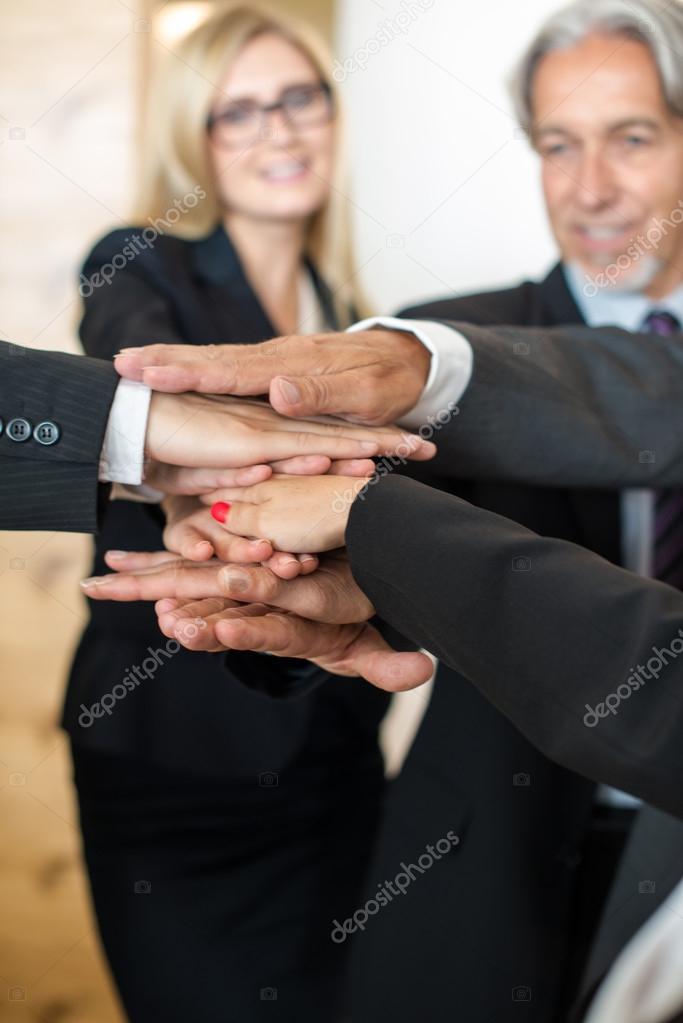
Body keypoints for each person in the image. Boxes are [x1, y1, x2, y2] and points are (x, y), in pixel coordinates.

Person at [62, 4, 438, 1021]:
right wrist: (192, 479)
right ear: (195, 139)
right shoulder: (142, 262)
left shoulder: (351, 317)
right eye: (240, 111)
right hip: (180, 768)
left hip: (330, 756)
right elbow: (135, 375)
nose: (280, 130)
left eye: (299, 98)